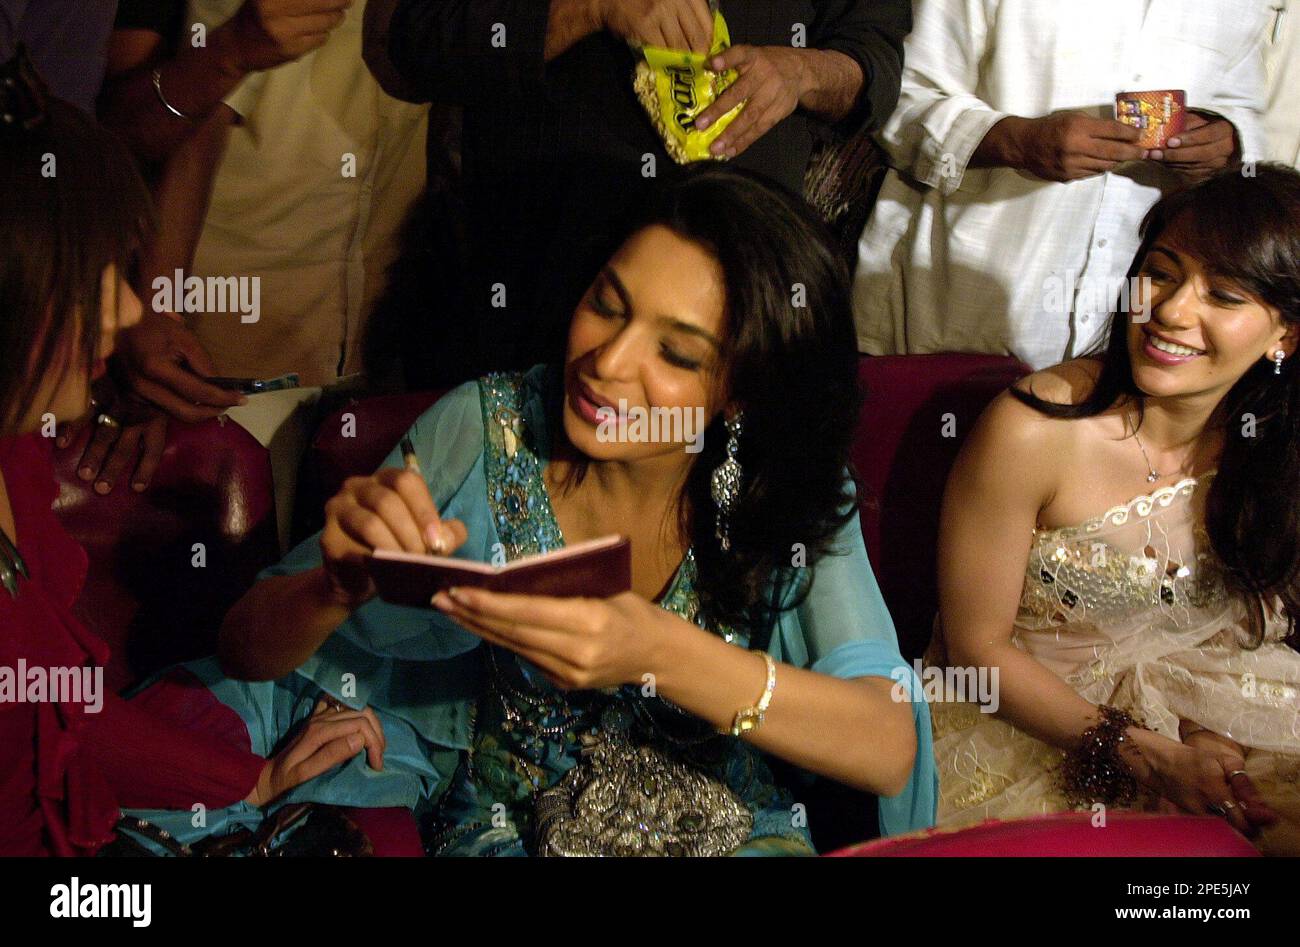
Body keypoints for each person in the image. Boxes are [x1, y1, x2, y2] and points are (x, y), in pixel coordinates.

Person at [134, 166, 937, 856]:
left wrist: (656, 649)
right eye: (607, 303)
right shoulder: (483, 428)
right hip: (508, 829)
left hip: (724, 826)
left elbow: (887, 743)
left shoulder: (782, 488)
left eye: (676, 353)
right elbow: (244, 646)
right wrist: (331, 589)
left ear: (743, 392)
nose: (606, 361)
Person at [0, 56, 385, 856]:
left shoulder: (15, 458)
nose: (132, 307)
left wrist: (247, 780)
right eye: (94, 278)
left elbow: (64, 715)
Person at [926, 165, 1300, 855]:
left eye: (1222, 293)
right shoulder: (1035, 428)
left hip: (1207, 718)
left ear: (1285, 336)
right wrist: (1145, 755)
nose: (1172, 311)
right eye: (1161, 273)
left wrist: (1211, 739)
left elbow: (1225, 632)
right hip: (1026, 730)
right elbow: (972, 653)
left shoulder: (1268, 445)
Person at [362, 0, 911, 386]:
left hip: (738, 298)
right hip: (530, 285)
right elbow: (409, 43)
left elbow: (875, 57)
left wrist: (801, 72)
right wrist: (588, 8)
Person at [853, 0, 1271, 371]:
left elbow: (1244, 112)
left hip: (1128, 328)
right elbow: (899, 98)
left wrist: (1228, 145)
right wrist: (1015, 141)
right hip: (956, 304)